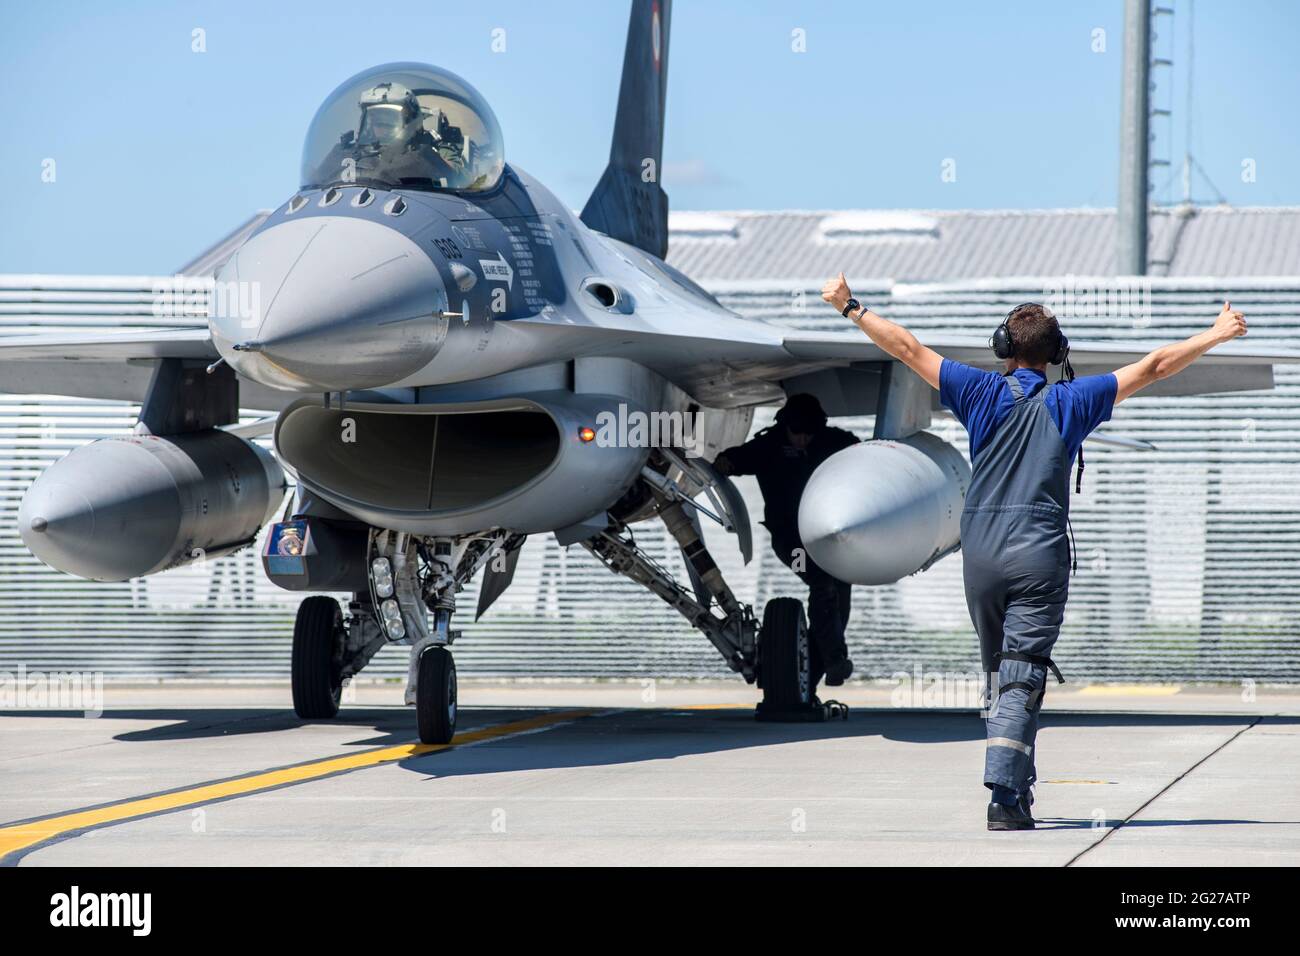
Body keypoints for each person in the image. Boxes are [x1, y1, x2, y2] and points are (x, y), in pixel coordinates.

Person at [820, 272, 1247, 831]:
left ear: (1003, 348)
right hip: (1038, 551)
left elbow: (905, 346)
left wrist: (849, 306)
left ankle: (1017, 790)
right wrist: (1214, 334)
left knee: (1001, 676)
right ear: (1057, 353)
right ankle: (1002, 793)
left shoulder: (975, 390)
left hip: (980, 552)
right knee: (1021, 677)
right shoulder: (1074, 400)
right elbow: (1155, 365)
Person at [714, 393, 859, 690]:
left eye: (809, 433)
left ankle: (822, 668)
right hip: (791, 545)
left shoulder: (834, 442)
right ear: (785, 427)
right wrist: (723, 464)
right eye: (797, 432)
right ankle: (833, 660)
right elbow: (730, 460)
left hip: (828, 542)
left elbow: (867, 455)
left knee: (837, 592)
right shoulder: (768, 447)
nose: (803, 439)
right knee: (823, 583)